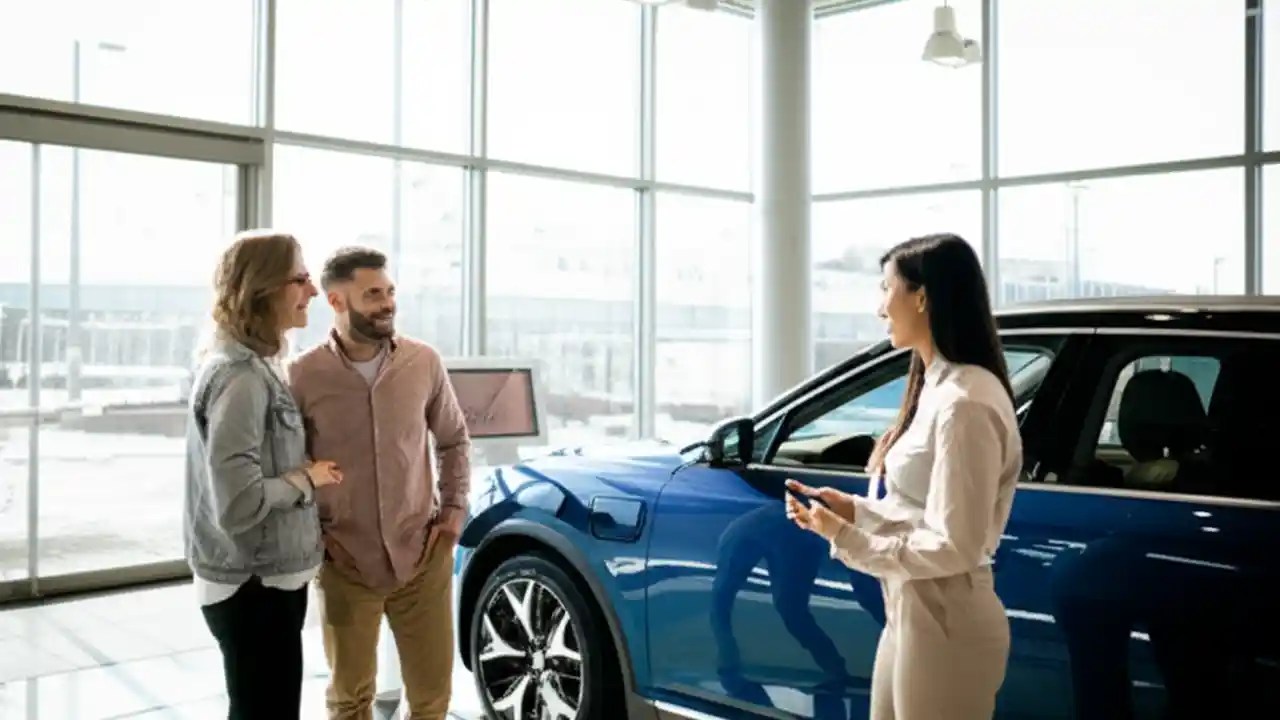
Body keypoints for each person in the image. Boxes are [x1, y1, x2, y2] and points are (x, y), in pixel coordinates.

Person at [785, 232, 1020, 720]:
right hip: (913, 613)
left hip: (947, 625)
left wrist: (847, 537)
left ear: (922, 296)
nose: (879, 307)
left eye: (885, 288)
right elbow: (923, 511)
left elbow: (955, 544)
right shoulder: (937, 387)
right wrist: (857, 510)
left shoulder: (966, 403)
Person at [288, 246, 471, 720]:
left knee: (432, 698)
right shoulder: (302, 377)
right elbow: (290, 468)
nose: (387, 303)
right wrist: (319, 542)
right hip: (345, 561)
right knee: (349, 700)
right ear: (336, 301)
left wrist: (452, 517)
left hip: (423, 554)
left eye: (389, 292)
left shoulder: (423, 362)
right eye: (373, 294)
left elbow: (453, 439)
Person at [184, 230, 344, 720]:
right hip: (252, 586)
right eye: (299, 279)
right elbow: (237, 505)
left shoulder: (257, 366)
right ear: (263, 289)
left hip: (258, 583)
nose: (313, 291)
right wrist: (305, 479)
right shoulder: (242, 378)